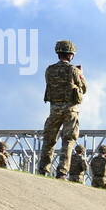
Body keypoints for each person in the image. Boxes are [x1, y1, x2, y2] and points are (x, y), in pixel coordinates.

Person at [37, 39, 87, 178]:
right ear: (71, 55)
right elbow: (84, 88)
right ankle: (62, 171)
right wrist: (80, 74)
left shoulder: (49, 69)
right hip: (70, 109)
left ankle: (43, 169)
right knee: (68, 140)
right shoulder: (73, 70)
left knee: (49, 139)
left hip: (54, 109)